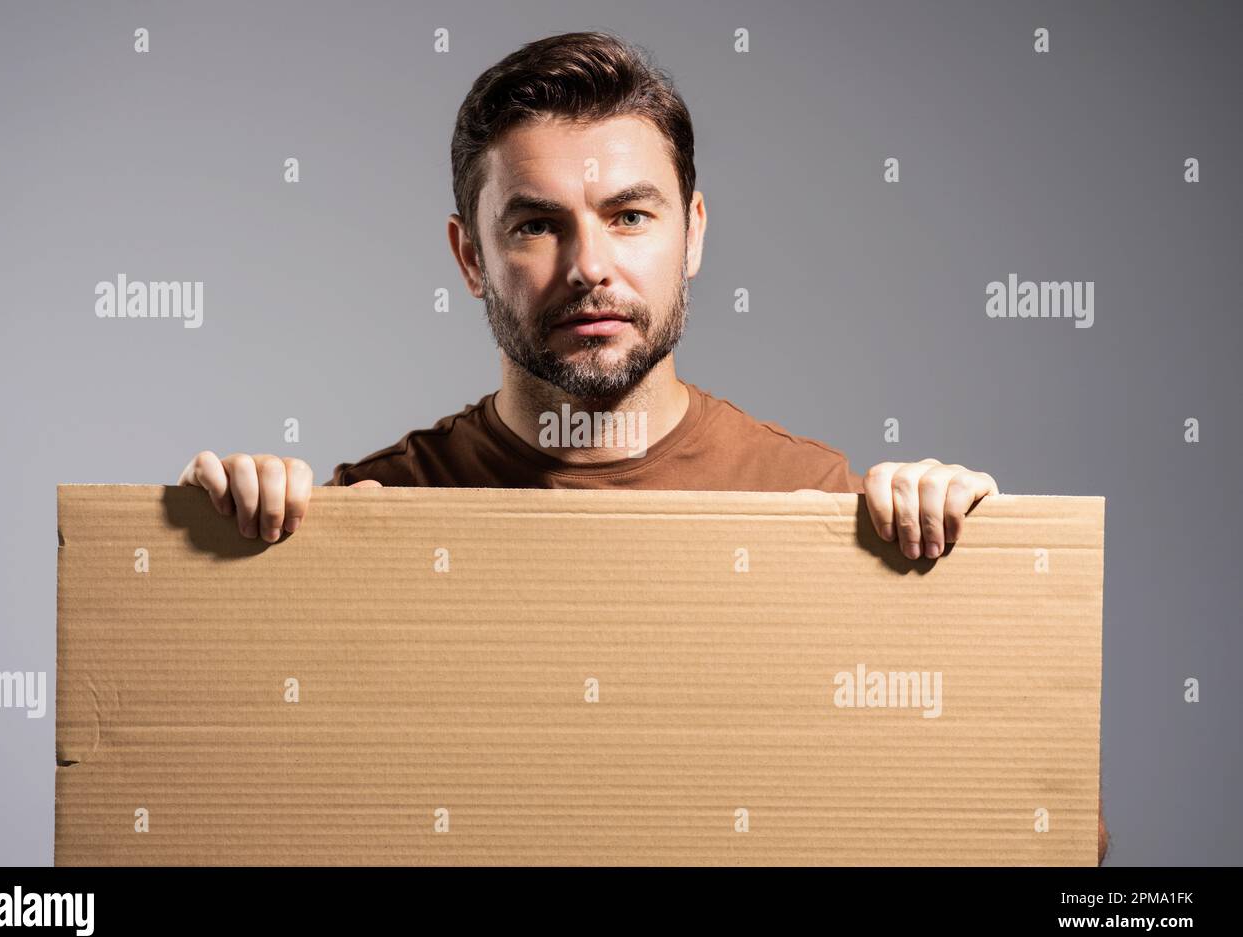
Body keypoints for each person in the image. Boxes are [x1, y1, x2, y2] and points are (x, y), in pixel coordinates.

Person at [178, 30, 1107, 864]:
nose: (590, 268)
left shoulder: (819, 508)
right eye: (538, 225)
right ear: (470, 259)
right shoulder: (369, 513)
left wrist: (974, 583)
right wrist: (213, 563)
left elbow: (1058, 841)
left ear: (691, 234)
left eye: (630, 216)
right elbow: (220, 817)